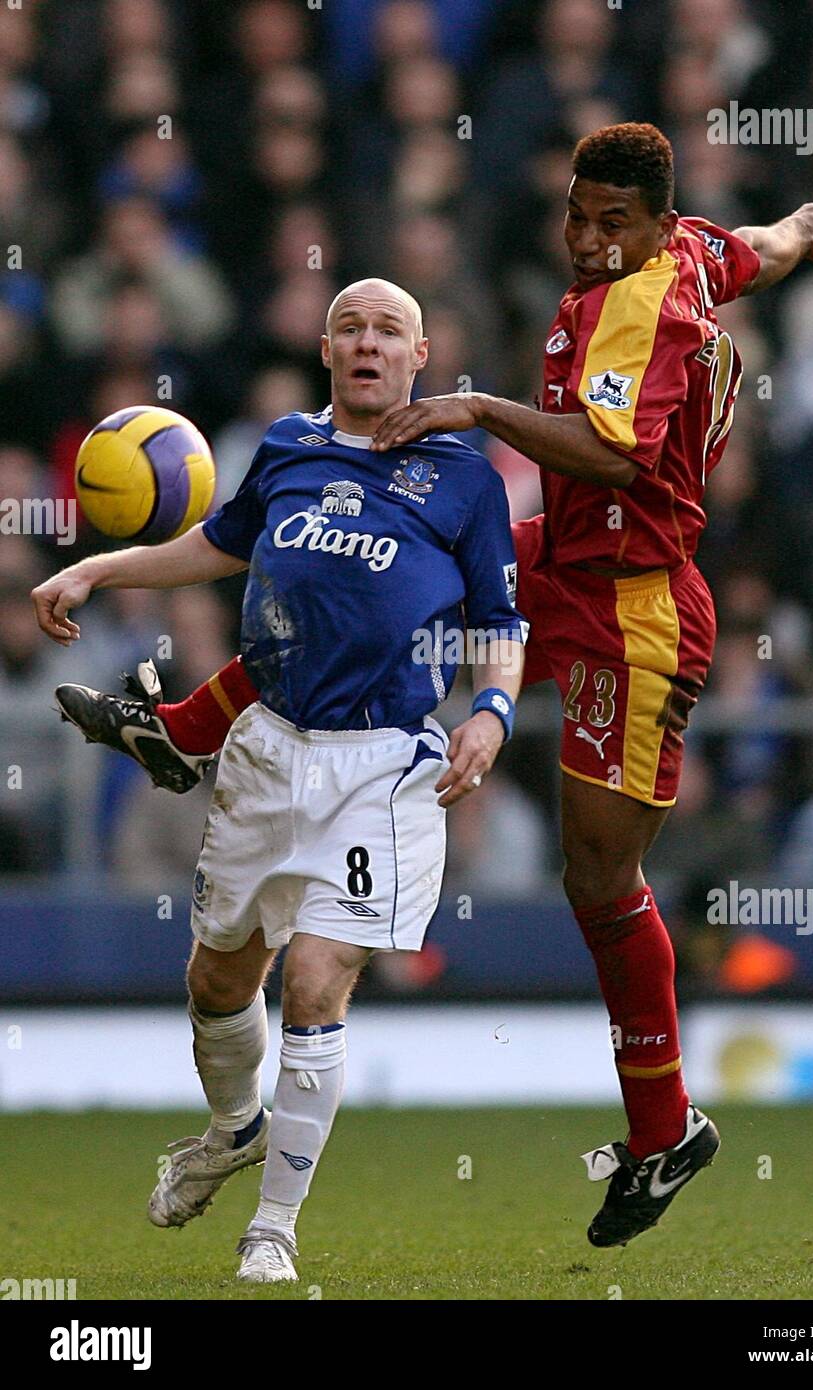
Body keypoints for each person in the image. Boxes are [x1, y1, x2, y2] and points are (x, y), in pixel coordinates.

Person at [48, 123, 813, 1251]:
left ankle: (664, 1127)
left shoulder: (643, 300)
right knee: (385, 591)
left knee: (600, 876)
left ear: (648, 225)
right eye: (576, 217)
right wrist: (811, 229)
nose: (586, 243)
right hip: (574, 555)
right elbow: (757, 246)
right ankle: (188, 732)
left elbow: (617, 454)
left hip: (636, 600)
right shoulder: (686, 246)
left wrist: (477, 408)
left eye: (609, 226)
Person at [32, 278, 525, 1283]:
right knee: (218, 979)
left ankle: (274, 1227)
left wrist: (493, 709)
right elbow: (216, 546)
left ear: (421, 354)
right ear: (326, 346)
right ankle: (232, 1126)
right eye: (350, 326)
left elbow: (499, 620)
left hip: (384, 765)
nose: (368, 343)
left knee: (314, 979)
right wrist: (97, 571)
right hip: (266, 750)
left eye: (389, 330)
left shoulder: (462, 478)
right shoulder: (289, 449)